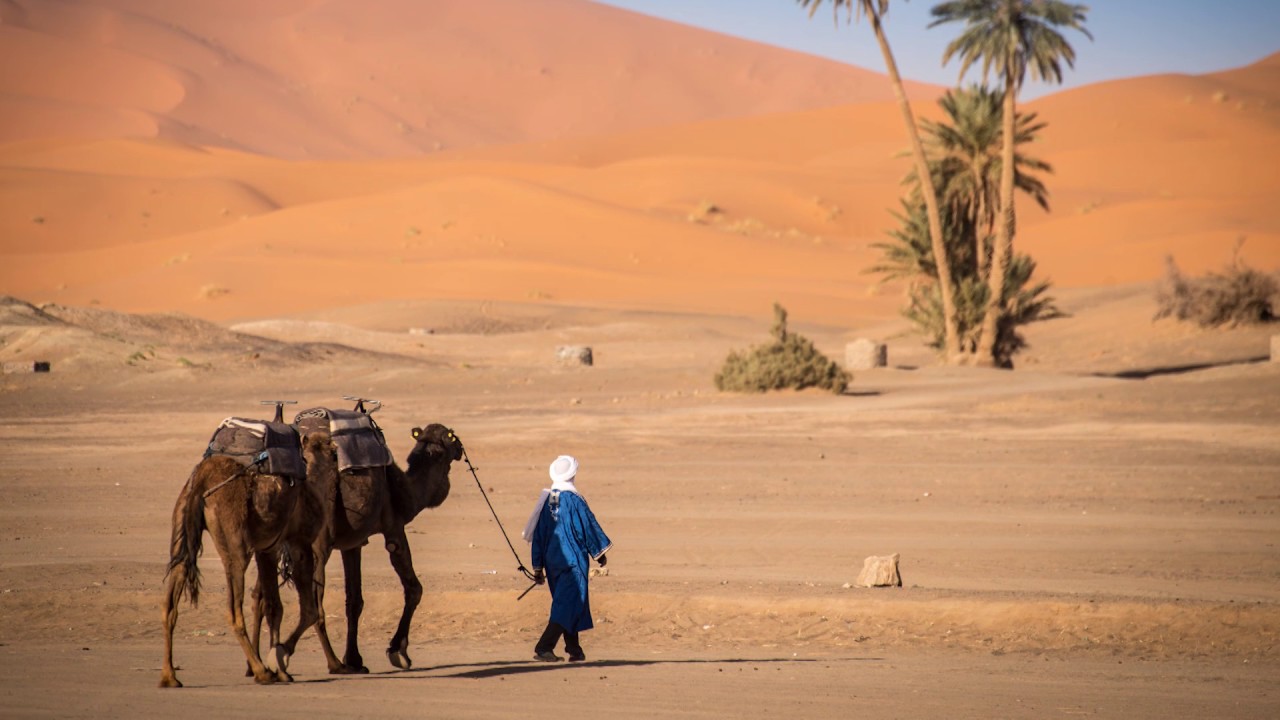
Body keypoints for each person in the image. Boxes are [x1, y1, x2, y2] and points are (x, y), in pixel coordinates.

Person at [521, 454, 612, 662]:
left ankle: (574, 650)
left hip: (552, 562)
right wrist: (600, 553)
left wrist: (538, 566)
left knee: (566, 603)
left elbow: (539, 535)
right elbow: (588, 527)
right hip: (572, 562)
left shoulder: (547, 502)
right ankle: (544, 646)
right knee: (569, 602)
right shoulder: (575, 501)